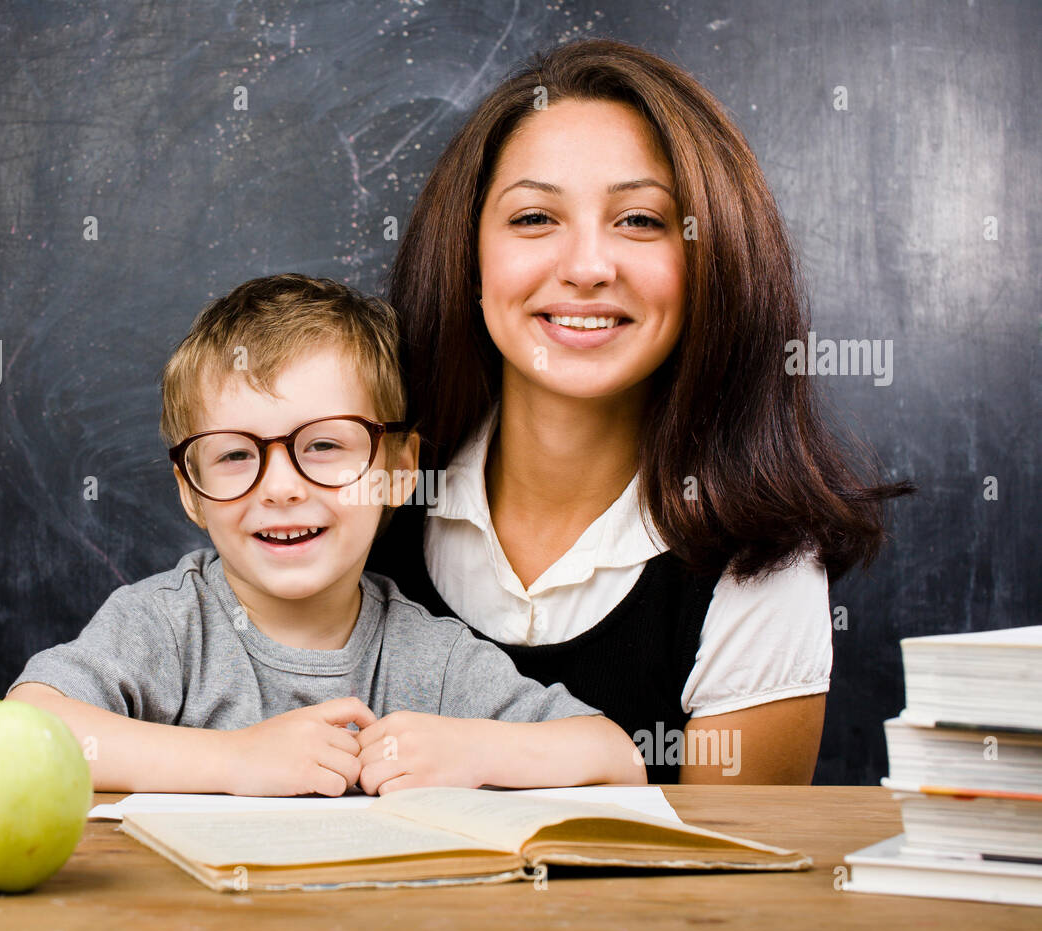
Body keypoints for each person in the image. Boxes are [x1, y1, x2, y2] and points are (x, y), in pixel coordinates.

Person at [366, 38, 912, 785]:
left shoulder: (759, 564)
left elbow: (724, 886)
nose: (588, 267)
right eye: (533, 218)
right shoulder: (361, 497)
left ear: (709, 262)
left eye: (642, 221)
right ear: (468, 259)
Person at [6, 274, 647, 794]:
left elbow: (615, 755)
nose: (280, 487)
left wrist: (478, 750)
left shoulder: (431, 657)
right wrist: (235, 762)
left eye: (323, 445)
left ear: (398, 470)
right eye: (234, 455)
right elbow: (29, 727)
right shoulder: (167, 628)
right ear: (190, 490)